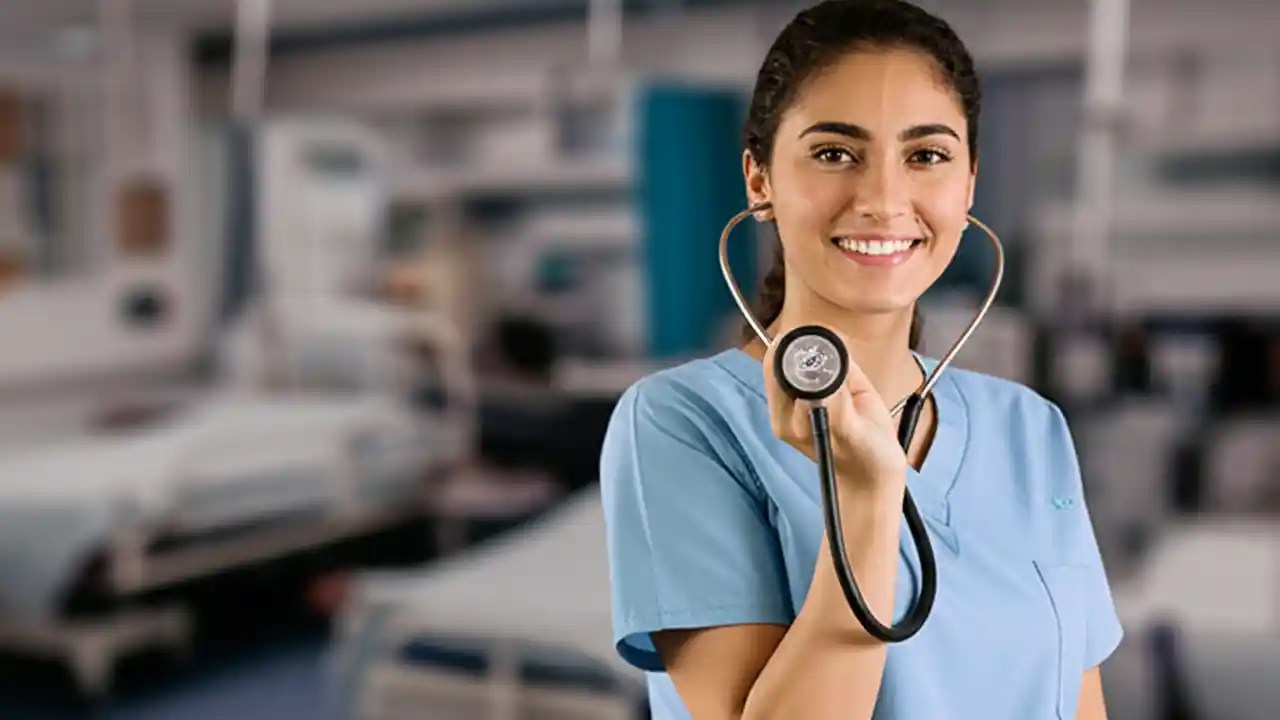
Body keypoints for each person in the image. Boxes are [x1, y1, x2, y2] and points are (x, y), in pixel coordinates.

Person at [598, 1, 1124, 718]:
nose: (883, 198)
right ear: (760, 181)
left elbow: (1081, 705)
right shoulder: (683, 423)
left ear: (968, 184)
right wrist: (869, 502)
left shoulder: (1030, 430)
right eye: (834, 153)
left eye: (927, 156)